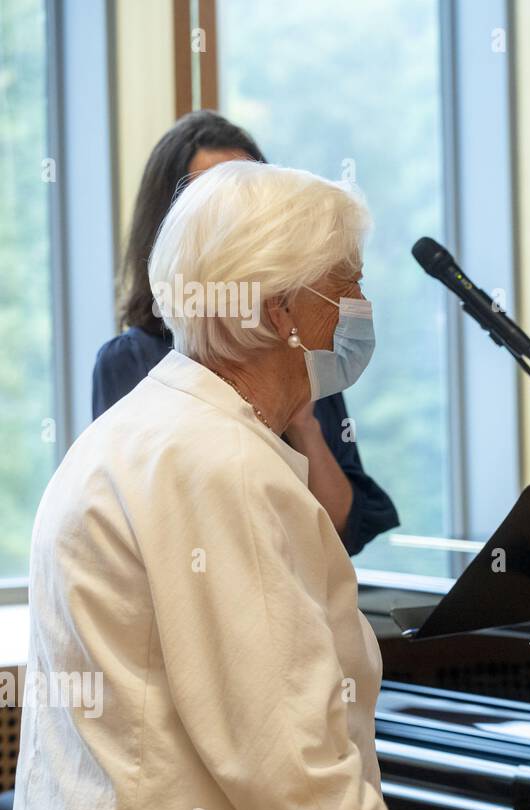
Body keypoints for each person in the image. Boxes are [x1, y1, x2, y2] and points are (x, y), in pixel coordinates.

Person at [15, 160, 415, 810]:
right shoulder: (217, 462)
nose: (361, 304)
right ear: (275, 311)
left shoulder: (157, 429)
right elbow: (284, 751)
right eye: (345, 283)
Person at [94, 109, 397, 556]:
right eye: (212, 201)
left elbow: (340, 530)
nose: (236, 216)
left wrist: (301, 421)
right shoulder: (135, 362)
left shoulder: (305, 350)